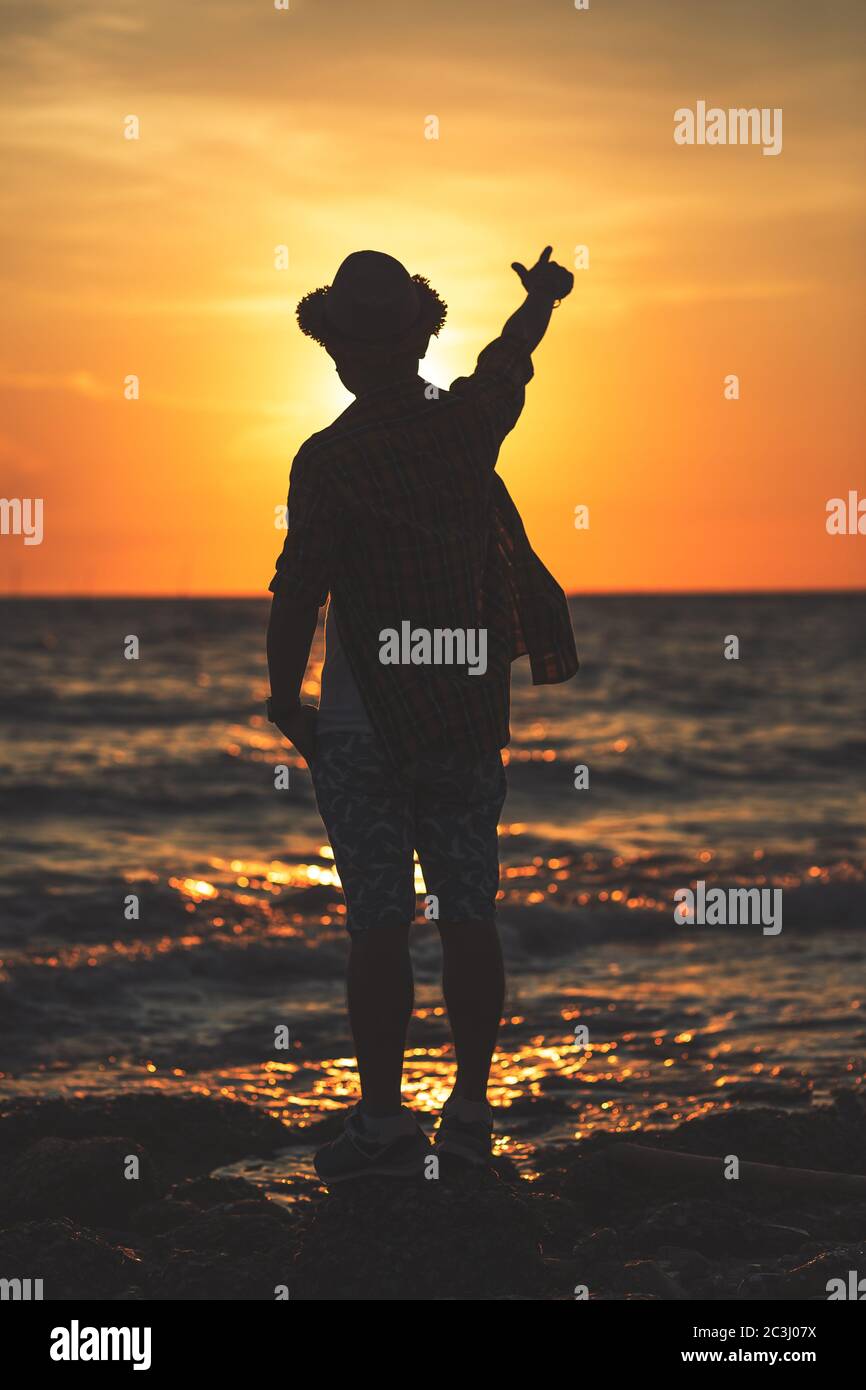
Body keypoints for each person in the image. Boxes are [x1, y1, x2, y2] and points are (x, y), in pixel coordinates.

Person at [266, 246, 578, 1182]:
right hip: (467, 715)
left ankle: (382, 1119)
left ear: (341, 354)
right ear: (419, 336)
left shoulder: (328, 460)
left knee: (377, 922)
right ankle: (473, 1111)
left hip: (364, 729)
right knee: (469, 914)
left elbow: (298, 590)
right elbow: (506, 361)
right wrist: (542, 303)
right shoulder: (467, 425)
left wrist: (287, 700)